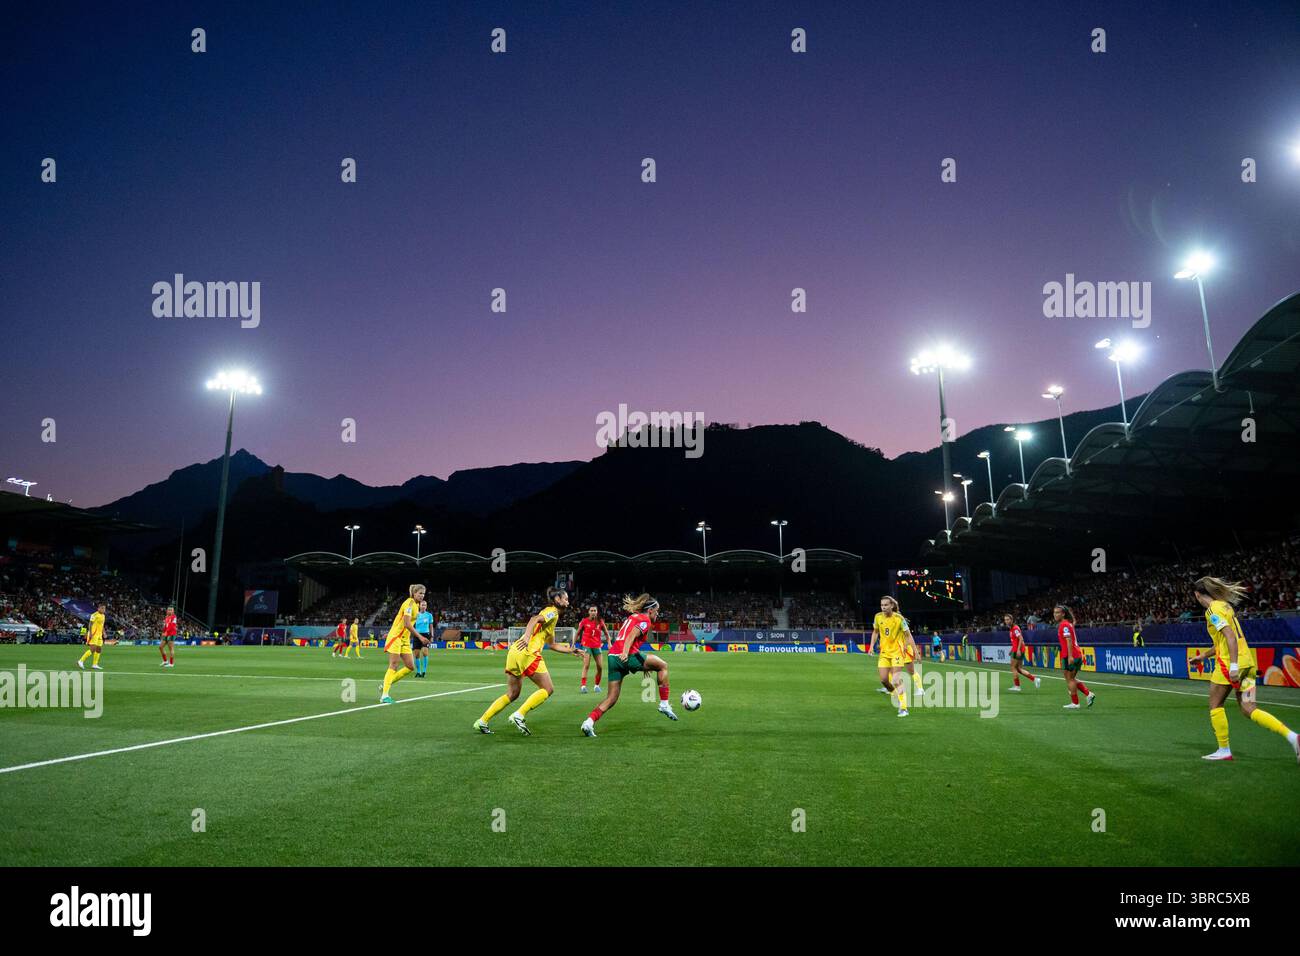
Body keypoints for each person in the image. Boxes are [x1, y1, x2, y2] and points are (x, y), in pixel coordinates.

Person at [1189, 576, 1298, 763]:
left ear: (1198, 595)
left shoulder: (1212, 611)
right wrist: (1203, 656)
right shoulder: (1225, 606)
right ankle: (1293, 737)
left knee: (1215, 705)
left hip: (1229, 665)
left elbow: (1230, 637)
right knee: (1249, 708)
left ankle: (1224, 750)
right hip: (1247, 663)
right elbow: (1224, 640)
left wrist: (1232, 666)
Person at [475, 587, 581, 735]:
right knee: (548, 689)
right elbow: (534, 619)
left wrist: (571, 650)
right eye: (566, 599)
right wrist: (526, 636)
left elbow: (552, 645)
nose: (568, 602)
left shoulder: (553, 618)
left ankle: (482, 721)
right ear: (557, 600)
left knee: (513, 693)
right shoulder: (552, 611)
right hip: (528, 652)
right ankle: (519, 715)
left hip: (515, 652)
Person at [580, 594, 677, 737]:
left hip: (613, 657)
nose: (658, 614)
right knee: (663, 666)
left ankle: (589, 722)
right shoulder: (645, 620)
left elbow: (629, 637)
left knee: (611, 698)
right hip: (625, 655)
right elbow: (632, 635)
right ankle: (664, 705)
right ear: (650, 611)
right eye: (657, 611)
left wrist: (644, 665)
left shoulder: (633, 617)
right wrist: (625, 653)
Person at [867, 596, 916, 717]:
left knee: (895, 679)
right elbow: (875, 632)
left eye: (886, 605)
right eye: (882, 605)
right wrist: (871, 646)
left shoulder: (899, 618)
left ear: (892, 606)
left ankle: (903, 708)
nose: (883, 607)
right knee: (884, 680)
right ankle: (897, 696)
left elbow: (908, 635)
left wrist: (916, 651)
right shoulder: (878, 617)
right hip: (884, 653)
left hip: (897, 653)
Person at [380, 585, 424, 703]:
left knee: (410, 666)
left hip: (404, 639)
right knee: (394, 664)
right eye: (420, 593)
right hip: (396, 636)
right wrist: (420, 637)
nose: (422, 595)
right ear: (414, 593)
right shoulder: (409, 603)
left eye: (423, 594)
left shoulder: (417, 605)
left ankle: (385, 684)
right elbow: (406, 624)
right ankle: (384, 695)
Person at [1054, 605, 1095, 710]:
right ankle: (1088, 694)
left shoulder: (1064, 625)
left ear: (1063, 614)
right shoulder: (1068, 624)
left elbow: (1069, 640)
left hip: (1071, 655)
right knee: (1068, 677)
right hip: (1072, 654)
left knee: (1070, 679)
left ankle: (1075, 703)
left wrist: (1070, 656)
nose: (1055, 614)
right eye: (1054, 612)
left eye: (1058, 612)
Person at [576, 604, 609, 694]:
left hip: (597, 646)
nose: (593, 612)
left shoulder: (600, 621)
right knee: (586, 665)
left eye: (595, 610)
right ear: (589, 612)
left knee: (600, 667)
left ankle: (596, 686)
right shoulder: (584, 621)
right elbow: (578, 633)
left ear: (597, 612)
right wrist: (573, 645)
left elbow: (606, 633)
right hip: (586, 645)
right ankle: (583, 686)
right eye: (592, 610)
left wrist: (609, 643)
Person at [1004, 613, 1040, 691]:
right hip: (1016, 649)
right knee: (1019, 669)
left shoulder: (1015, 628)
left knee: (1013, 667)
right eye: (1005, 620)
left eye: (1008, 619)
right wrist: (1012, 649)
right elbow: (1015, 641)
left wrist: (1018, 650)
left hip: (1017, 650)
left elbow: (1021, 639)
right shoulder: (1011, 629)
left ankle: (1017, 686)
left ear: (1012, 620)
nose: (1006, 621)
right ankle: (1035, 679)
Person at [77, 603, 107, 671]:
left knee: (99, 649)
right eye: (102, 608)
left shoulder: (103, 616)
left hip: (99, 635)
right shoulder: (94, 615)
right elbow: (90, 624)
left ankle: (95, 664)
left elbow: (102, 625)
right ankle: (81, 661)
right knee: (93, 649)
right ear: (98, 608)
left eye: (104, 608)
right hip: (94, 634)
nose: (103, 610)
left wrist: (104, 632)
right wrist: (90, 633)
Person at [412, 601, 433, 675]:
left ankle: (424, 671)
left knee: (424, 652)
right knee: (417, 654)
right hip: (417, 635)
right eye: (422, 605)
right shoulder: (415, 615)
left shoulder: (429, 615)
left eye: (425, 605)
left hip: (426, 635)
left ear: (426, 606)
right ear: (419, 606)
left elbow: (431, 626)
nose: (424, 606)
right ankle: (418, 672)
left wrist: (431, 636)